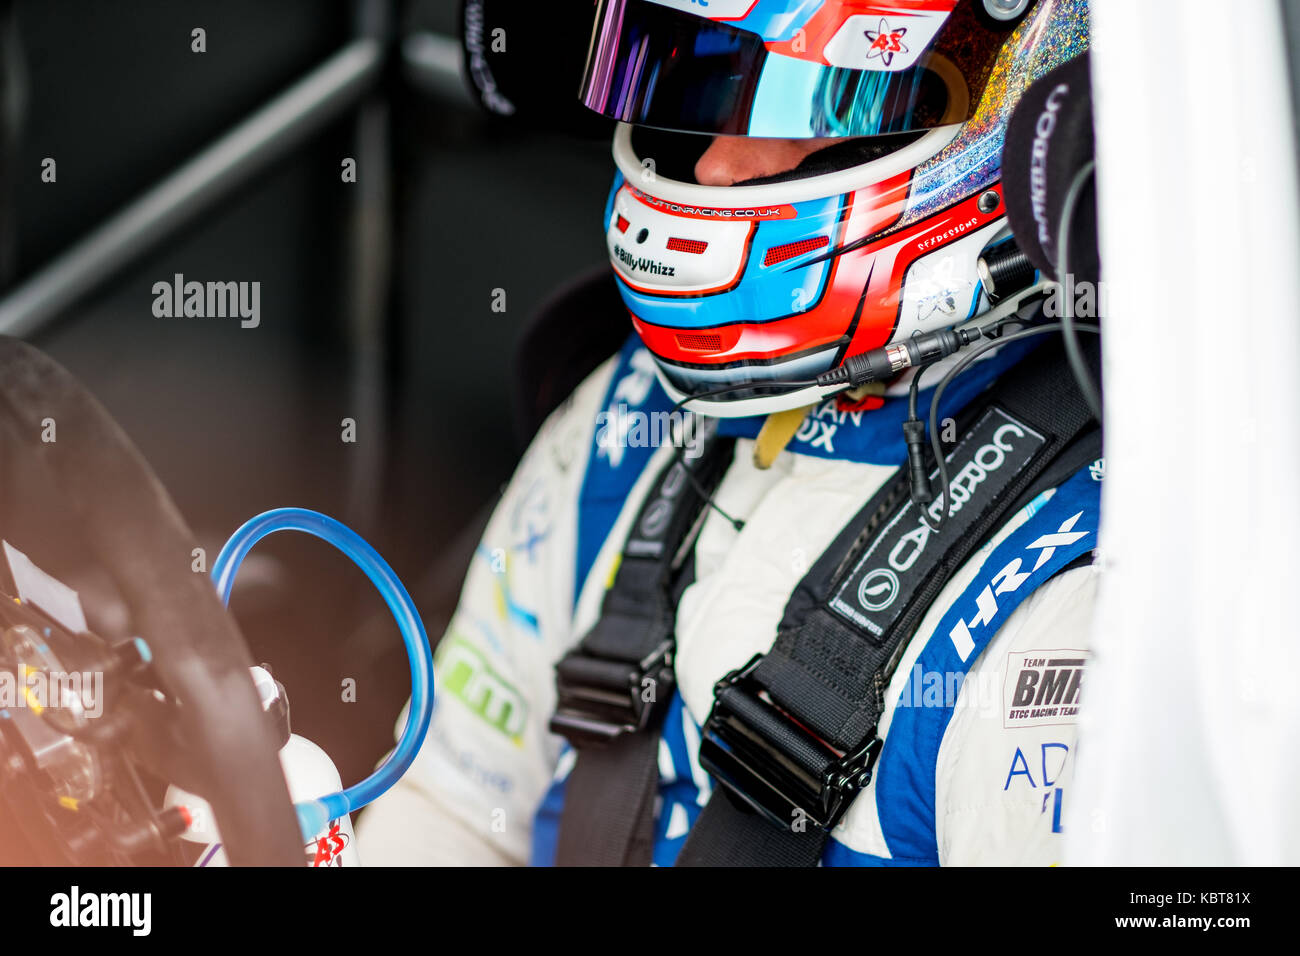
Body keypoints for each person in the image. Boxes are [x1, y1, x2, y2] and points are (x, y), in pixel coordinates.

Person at [358, 0, 1099, 866]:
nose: (717, 165)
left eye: (808, 100)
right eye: (705, 81)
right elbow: (448, 809)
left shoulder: (1075, 608)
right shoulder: (625, 416)